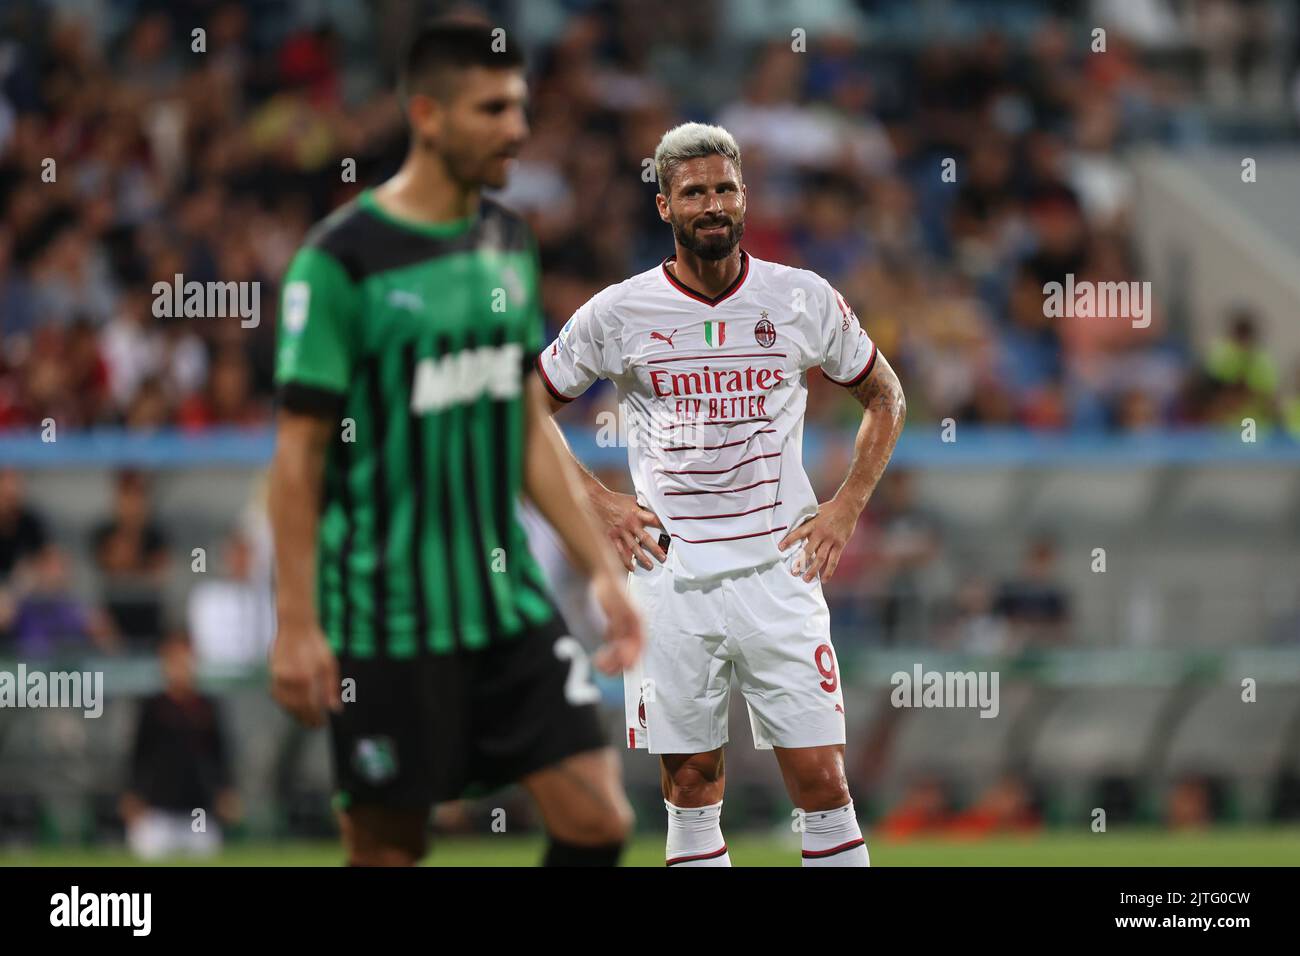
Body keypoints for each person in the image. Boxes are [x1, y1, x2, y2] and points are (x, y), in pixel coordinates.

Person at [268, 17, 644, 868]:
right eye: (492, 109)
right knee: (389, 851)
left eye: (520, 106)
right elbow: (298, 456)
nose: (517, 127)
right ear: (428, 116)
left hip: (505, 606)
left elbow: (521, 422)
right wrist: (296, 623)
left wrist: (601, 571)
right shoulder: (341, 261)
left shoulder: (507, 240)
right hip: (386, 618)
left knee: (598, 823)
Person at [537, 123, 907, 866]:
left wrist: (844, 507)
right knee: (691, 786)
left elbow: (886, 395)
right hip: (670, 577)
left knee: (823, 782)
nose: (713, 204)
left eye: (725, 189)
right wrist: (600, 504)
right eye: (694, 192)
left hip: (780, 570)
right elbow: (524, 407)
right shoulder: (619, 312)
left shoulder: (800, 297)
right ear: (664, 205)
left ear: (745, 197)